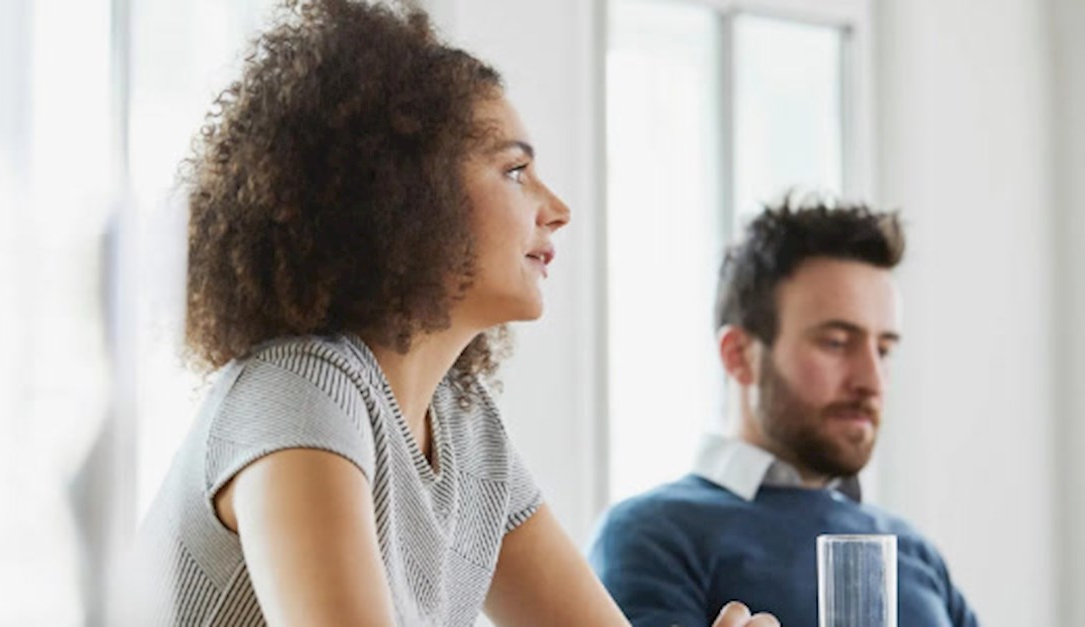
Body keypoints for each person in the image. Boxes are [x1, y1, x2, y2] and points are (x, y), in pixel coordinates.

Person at [125, 1, 777, 625]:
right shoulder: (300, 393)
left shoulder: (465, 428)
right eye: (515, 170)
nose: (556, 208)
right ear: (403, 192)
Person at [588, 199, 980, 626]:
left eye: (883, 349)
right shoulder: (652, 535)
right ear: (739, 355)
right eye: (835, 342)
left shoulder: (912, 550)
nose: (872, 379)